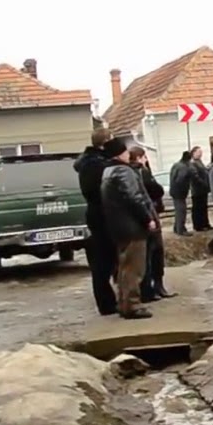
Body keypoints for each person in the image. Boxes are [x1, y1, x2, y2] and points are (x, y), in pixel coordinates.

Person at [100, 138, 156, 320]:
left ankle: (124, 302)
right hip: (132, 226)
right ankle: (132, 305)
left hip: (118, 226)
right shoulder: (124, 172)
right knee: (134, 267)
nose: (127, 154)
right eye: (125, 152)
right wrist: (147, 218)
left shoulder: (107, 171)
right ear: (119, 153)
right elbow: (134, 197)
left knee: (124, 267)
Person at [74, 128, 117, 316]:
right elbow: (98, 191)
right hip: (101, 216)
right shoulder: (94, 164)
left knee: (106, 261)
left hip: (100, 214)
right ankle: (106, 304)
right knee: (102, 264)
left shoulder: (93, 162)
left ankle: (110, 301)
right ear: (105, 141)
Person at [130, 147, 176, 301]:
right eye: (144, 157)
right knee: (153, 253)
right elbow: (155, 190)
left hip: (149, 214)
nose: (146, 160)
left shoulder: (137, 172)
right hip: (148, 216)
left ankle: (155, 287)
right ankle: (153, 288)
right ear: (139, 158)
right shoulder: (140, 173)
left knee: (153, 254)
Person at [168, 151, 193, 237]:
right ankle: (181, 230)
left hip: (174, 191)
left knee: (178, 211)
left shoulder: (176, 165)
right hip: (180, 192)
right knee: (181, 211)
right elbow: (180, 180)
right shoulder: (184, 167)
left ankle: (176, 227)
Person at [189, 146, 212, 231]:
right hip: (197, 190)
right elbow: (195, 176)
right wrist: (203, 183)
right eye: (199, 152)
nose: (201, 153)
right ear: (193, 153)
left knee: (204, 207)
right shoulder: (192, 163)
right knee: (198, 208)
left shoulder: (199, 162)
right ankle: (198, 225)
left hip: (203, 189)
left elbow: (204, 171)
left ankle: (205, 223)